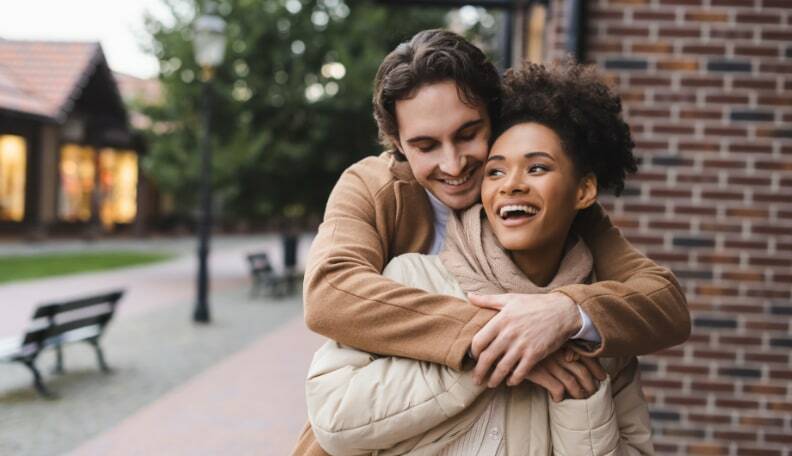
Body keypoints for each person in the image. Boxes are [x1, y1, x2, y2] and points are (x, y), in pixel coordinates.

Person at [292, 29, 688, 455]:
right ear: (400, 146)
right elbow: (330, 292)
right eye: (425, 146)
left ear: (494, 118)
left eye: (467, 134)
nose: (453, 163)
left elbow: (663, 301)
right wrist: (501, 339)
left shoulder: (549, 205)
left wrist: (563, 312)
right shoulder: (373, 188)